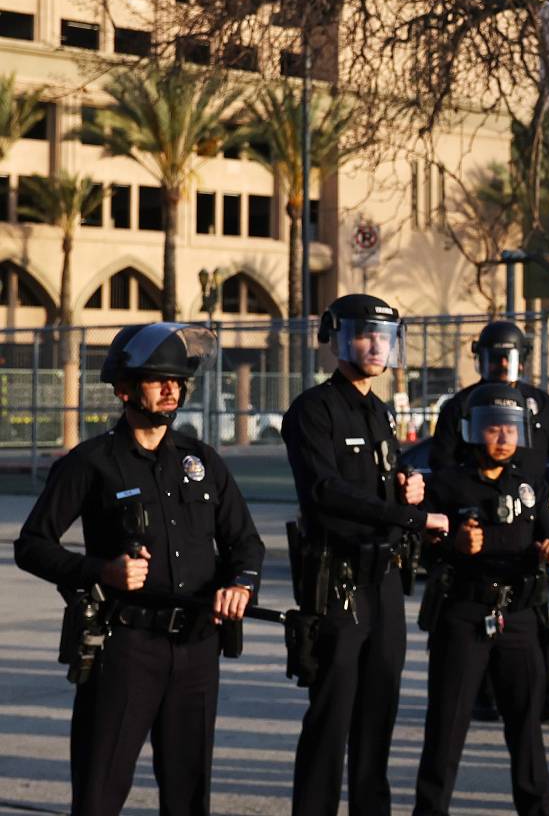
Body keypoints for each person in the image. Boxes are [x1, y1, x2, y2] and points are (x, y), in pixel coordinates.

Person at [15, 323, 264, 816]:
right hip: (125, 649)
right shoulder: (91, 463)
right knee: (100, 791)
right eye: (157, 378)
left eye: (176, 379)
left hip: (196, 648)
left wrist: (241, 583)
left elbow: (246, 543)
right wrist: (99, 571)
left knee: (189, 796)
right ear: (125, 388)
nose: (171, 388)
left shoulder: (202, 461)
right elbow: (32, 545)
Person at [285, 294, 450, 816]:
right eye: (364, 334)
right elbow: (325, 491)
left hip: (383, 579)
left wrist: (409, 490)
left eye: (384, 336)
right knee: (332, 714)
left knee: (380, 710)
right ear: (335, 339)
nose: (377, 345)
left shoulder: (379, 410)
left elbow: (385, 482)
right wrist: (410, 518)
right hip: (337, 578)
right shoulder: (313, 410)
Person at [415, 385, 549, 816]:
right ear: (473, 432)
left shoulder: (531, 485)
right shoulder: (447, 484)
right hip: (463, 613)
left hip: (518, 615)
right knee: (447, 723)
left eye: (511, 429)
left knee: (526, 725)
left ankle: (539, 809)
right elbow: (422, 548)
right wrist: (453, 545)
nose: (502, 438)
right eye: (493, 429)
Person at [429, 319, 549, 722]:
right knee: (476, 610)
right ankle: (482, 695)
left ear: (524, 360)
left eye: (510, 357)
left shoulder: (540, 405)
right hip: (476, 525)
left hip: (528, 521)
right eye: (493, 356)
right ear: (479, 358)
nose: (501, 365)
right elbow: (441, 467)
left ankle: (543, 692)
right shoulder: (460, 406)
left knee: (536, 613)